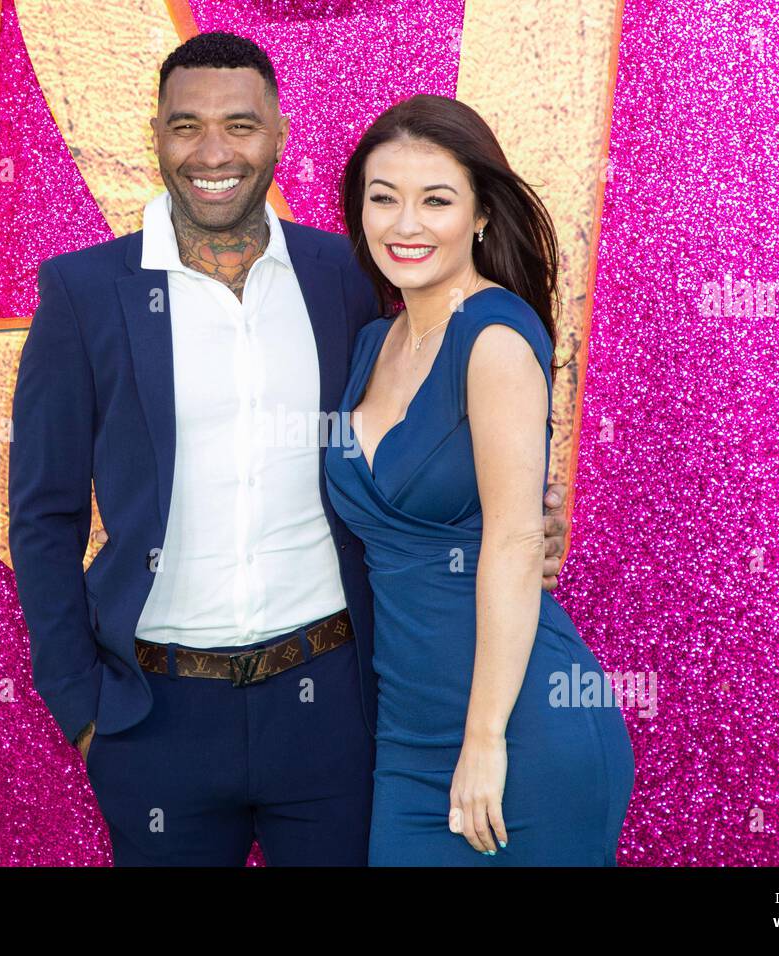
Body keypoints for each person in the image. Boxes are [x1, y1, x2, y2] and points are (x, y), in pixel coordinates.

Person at [8, 32, 573, 866]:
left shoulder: (344, 272)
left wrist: (514, 526)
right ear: (155, 136)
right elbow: (44, 514)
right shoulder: (85, 293)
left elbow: (426, 427)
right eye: (185, 124)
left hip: (334, 709)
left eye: (240, 125)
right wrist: (83, 710)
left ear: (278, 134)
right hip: (154, 718)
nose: (212, 151)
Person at [325, 94, 635, 865]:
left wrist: (485, 740)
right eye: (383, 197)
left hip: (516, 735)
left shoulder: (493, 335)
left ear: (481, 216)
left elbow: (513, 539)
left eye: (436, 200)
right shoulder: (373, 343)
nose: (406, 224)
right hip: (406, 740)